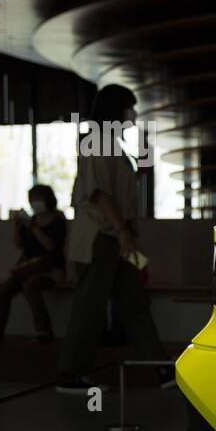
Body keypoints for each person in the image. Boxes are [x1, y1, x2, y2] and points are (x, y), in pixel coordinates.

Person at [57, 85, 172, 392]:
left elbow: (113, 189)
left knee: (135, 301)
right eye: (129, 108)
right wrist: (123, 231)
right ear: (116, 109)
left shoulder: (112, 144)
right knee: (91, 306)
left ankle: (161, 369)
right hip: (101, 237)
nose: (133, 114)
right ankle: (71, 374)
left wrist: (140, 175)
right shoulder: (96, 140)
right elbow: (99, 193)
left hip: (119, 238)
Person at [0, 184, 67, 344]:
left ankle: (44, 332)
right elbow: (19, 245)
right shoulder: (31, 221)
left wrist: (34, 228)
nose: (33, 203)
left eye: (36, 199)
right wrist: (17, 227)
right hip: (29, 268)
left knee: (30, 286)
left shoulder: (58, 220)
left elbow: (51, 246)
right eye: (31, 200)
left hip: (50, 269)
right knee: (5, 290)